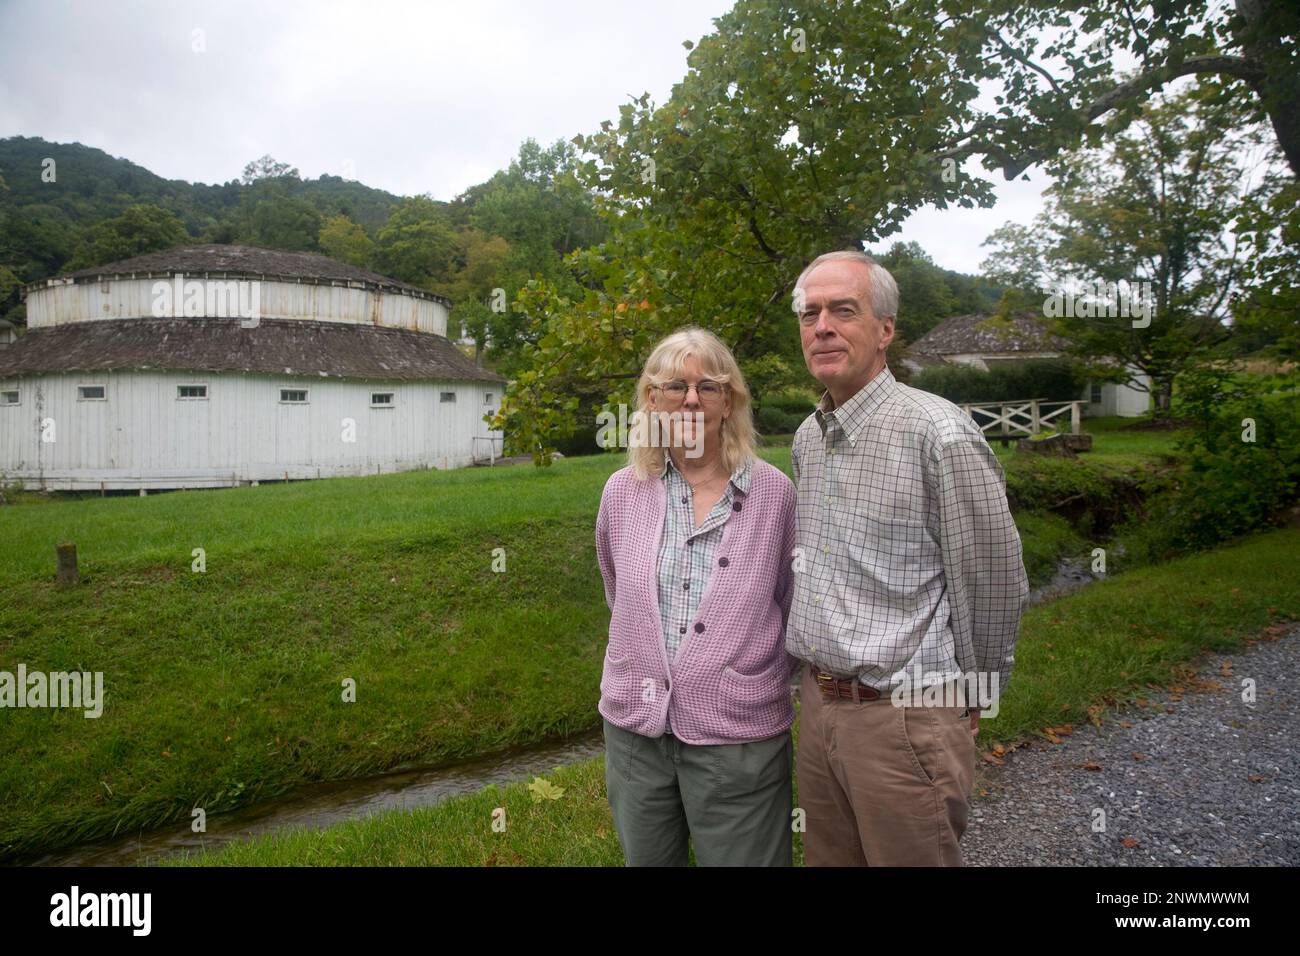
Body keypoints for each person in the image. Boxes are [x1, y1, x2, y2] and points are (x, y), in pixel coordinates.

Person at [786, 250, 1029, 866]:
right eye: (809, 314)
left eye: (844, 310)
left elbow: (995, 582)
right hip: (819, 712)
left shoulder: (937, 432)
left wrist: (974, 692)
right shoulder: (807, 438)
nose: (823, 327)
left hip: (904, 717)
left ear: (885, 329)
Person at [595, 326, 799, 866]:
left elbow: (788, 596)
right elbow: (620, 594)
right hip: (637, 732)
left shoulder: (774, 493)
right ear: (650, 399)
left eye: (709, 386)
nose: (690, 398)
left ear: (729, 401)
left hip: (738, 736)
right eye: (673, 386)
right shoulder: (622, 491)